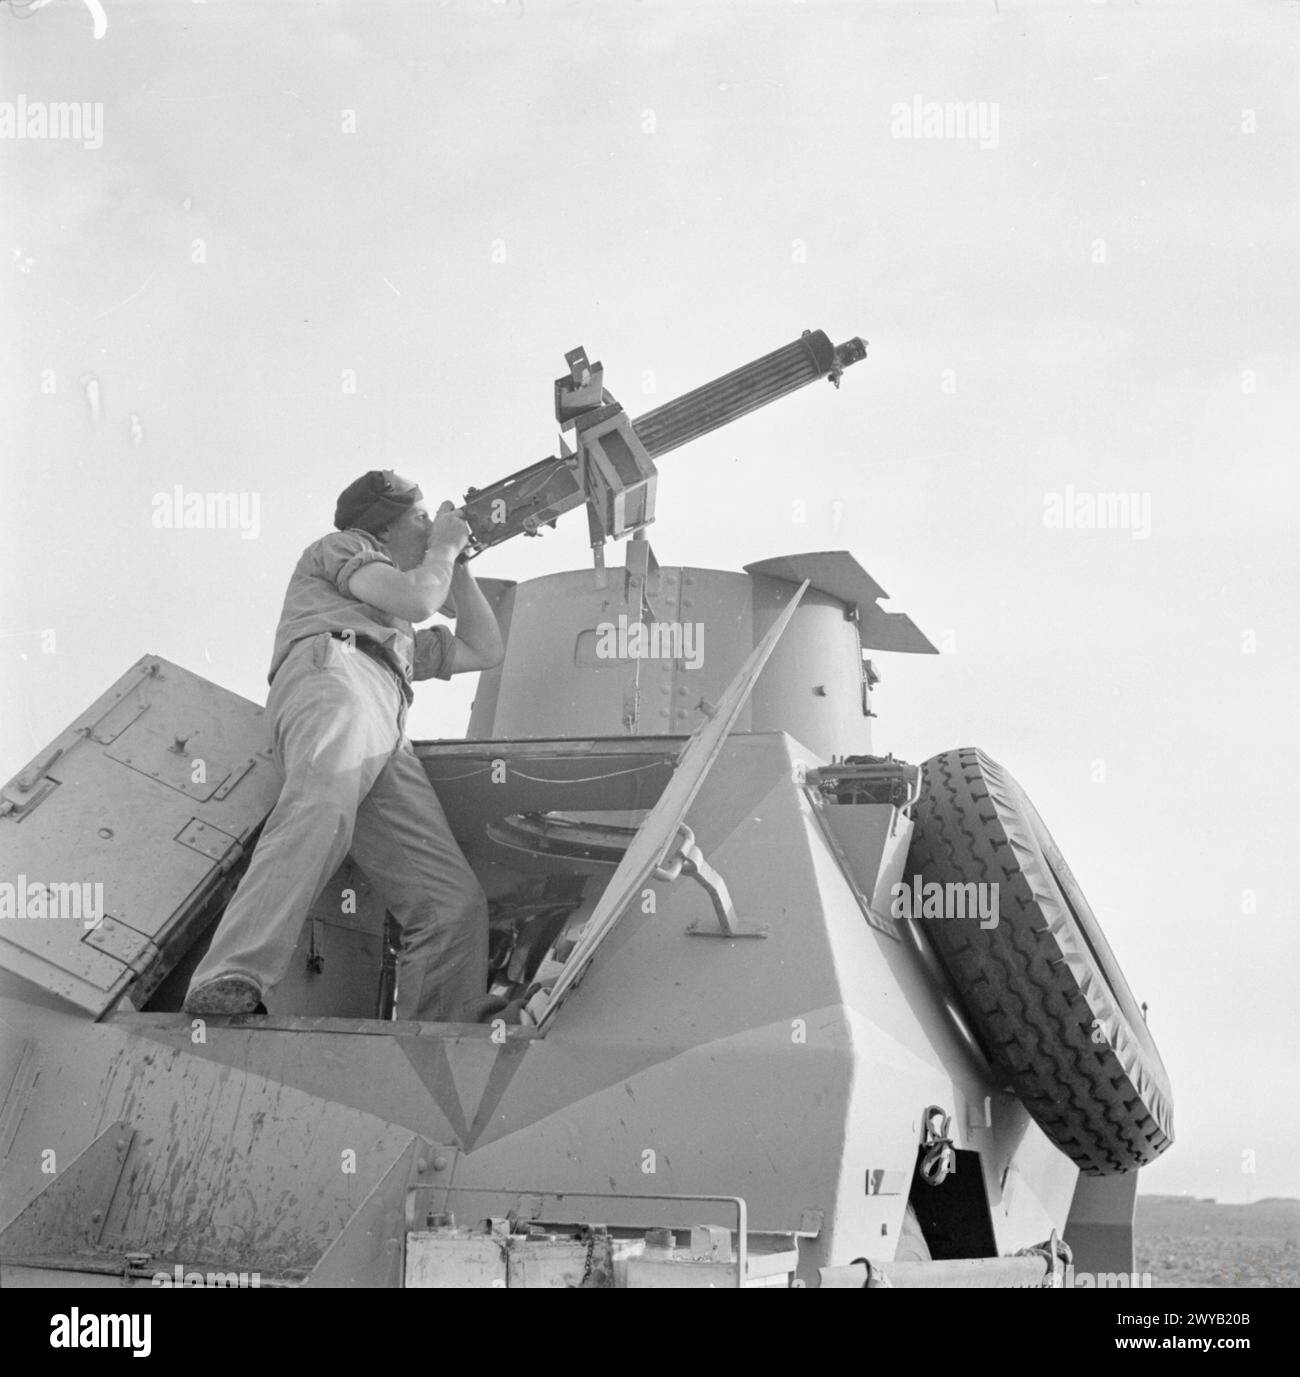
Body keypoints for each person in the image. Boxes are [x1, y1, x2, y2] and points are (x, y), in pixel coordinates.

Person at [183, 470, 504, 1022]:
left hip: (385, 708)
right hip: (338, 671)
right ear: (386, 525)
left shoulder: (396, 626)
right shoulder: (344, 548)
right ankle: (232, 971)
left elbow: (485, 648)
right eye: (421, 518)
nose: (430, 528)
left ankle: (429, 1050)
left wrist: (461, 562)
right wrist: (446, 546)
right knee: (322, 804)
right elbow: (418, 597)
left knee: (451, 904)